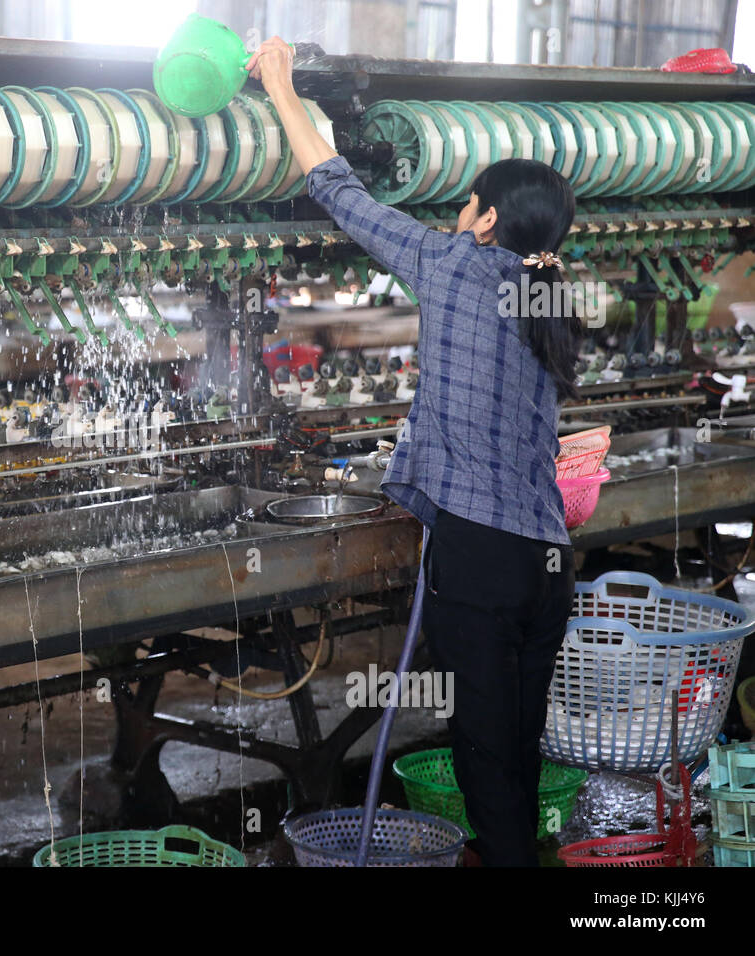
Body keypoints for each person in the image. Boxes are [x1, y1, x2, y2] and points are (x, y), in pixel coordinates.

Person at [249, 37, 580, 866]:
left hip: (480, 557)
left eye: (466, 205)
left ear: (488, 219)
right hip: (548, 562)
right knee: (518, 742)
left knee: (484, 755)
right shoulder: (551, 295)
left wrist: (283, 88)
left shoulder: (454, 268)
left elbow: (335, 187)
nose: (455, 218)